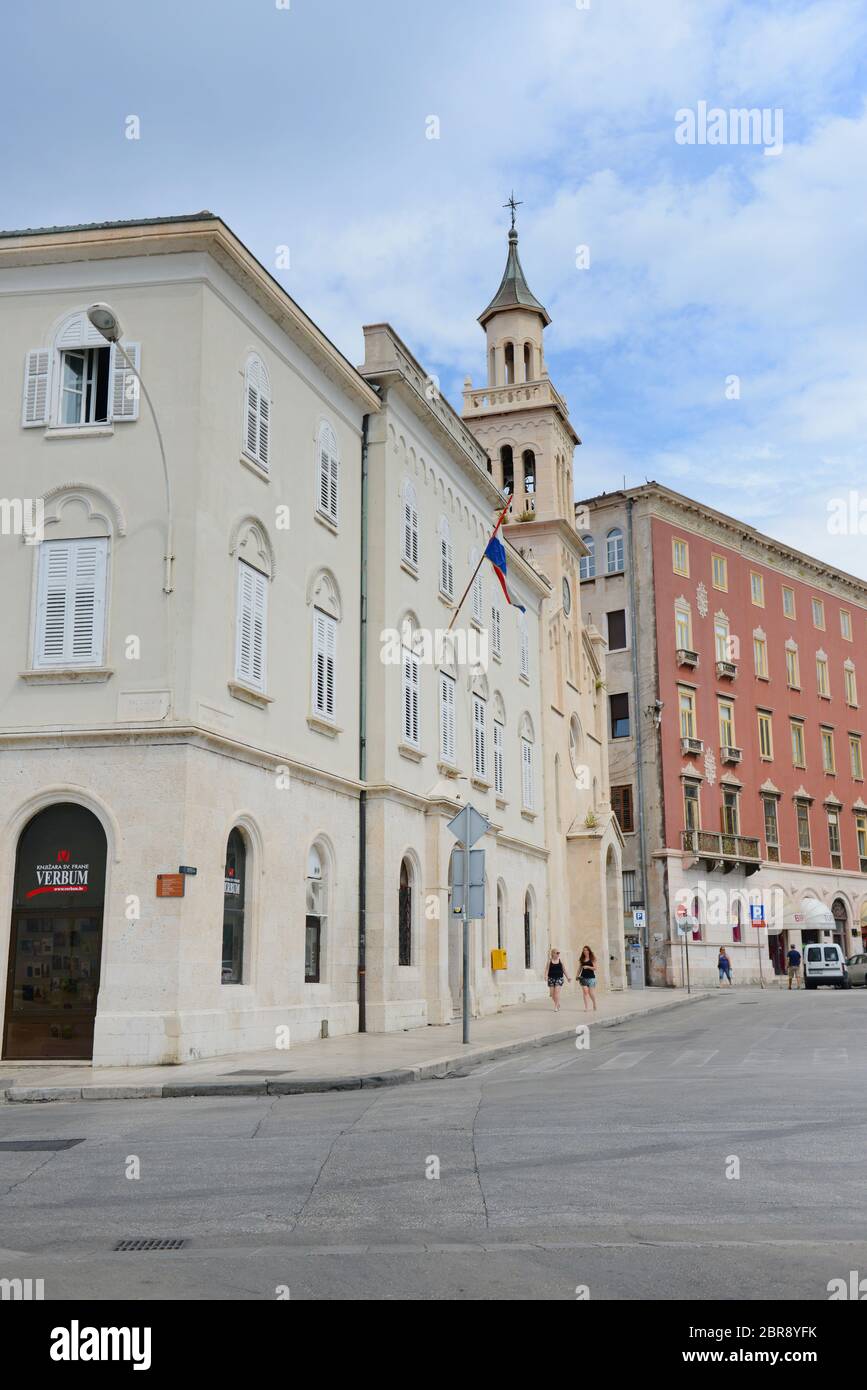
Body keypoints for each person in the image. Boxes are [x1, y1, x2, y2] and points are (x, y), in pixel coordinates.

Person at [576, 945, 598, 1011]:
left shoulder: (592, 959)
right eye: (584, 950)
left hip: (591, 978)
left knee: (591, 993)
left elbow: (595, 968)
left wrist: (588, 967)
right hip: (583, 977)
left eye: (586, 950)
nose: (585, 951)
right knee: (585, 992)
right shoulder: (582, 959)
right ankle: (586, 1007)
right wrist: (577, 975)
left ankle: (594, 1003)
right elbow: (579, 968)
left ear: (589, 951)